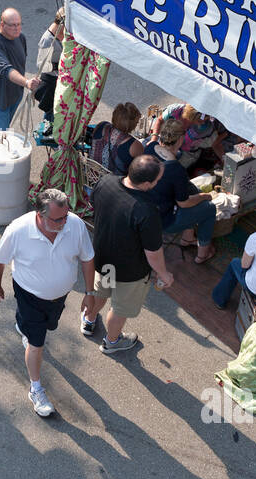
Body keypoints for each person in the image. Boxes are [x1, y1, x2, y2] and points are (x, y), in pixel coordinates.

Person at [0, 189, 96, 417]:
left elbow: (87, 258)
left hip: (59, 298)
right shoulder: (18, 230)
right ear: (39, 214)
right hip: (29, 295)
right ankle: (36, 389)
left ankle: (24, 327)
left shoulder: (74, 225)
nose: (64, 222)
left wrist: (89, 292)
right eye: (58, 219)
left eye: (66, 216)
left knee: (48, 327)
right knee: (37, 343)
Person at [81, 156, 174, 353]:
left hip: (103, 259)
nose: (158, 183)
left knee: (100, 292)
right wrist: (164, 275)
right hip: (130, 272)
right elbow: (153, 254)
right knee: (120, 309)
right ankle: (112, 342)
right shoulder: (146, 211)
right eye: (157, 180)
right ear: (147, 184)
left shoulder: (105, 182)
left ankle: (89, 322)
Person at [139, 117, 217, 263]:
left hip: (147, 207)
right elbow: (184, 203)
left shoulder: (150, 147)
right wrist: (204, 196)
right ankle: (202, 254)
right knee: (210, 208)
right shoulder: (175, 169)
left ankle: (188, 238)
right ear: (181, 139)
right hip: (163, 220)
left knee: (190, 187)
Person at [0, 8, 35, 132]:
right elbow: (7, 69)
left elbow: (20, 64)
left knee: (0, 124)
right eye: (12, 25)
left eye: (19, 24)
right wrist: (26, 82)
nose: (17, 28)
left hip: (15, 94)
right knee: (1, 132)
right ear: (2, 25)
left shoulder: (21, 38)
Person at [93, 102, 145, 176]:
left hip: (92, 176)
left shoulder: (102, 125)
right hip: (114, 185)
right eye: (136, 123)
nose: (137, 125)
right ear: (131, 125)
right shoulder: (134, 145)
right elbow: (142, 168)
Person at [34, 7, 66, 125]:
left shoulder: (62, 33)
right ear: (62, 24)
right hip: (52, 82)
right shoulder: (47, 40)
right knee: (51, 113)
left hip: (61, 80)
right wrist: (62, 65)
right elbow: (41, 65)